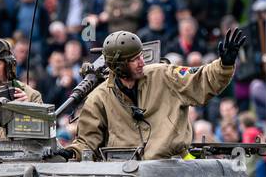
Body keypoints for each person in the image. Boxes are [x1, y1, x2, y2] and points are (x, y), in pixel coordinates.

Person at [66, 28, 244, 161]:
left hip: (174, 165)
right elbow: (87, 144)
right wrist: (69, 153)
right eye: (134, 59)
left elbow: (201, 80)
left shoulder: (164, 75)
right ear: (118, 66)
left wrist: (224, 65)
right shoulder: (99, 98)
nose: (142, 62)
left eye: (141, 55)